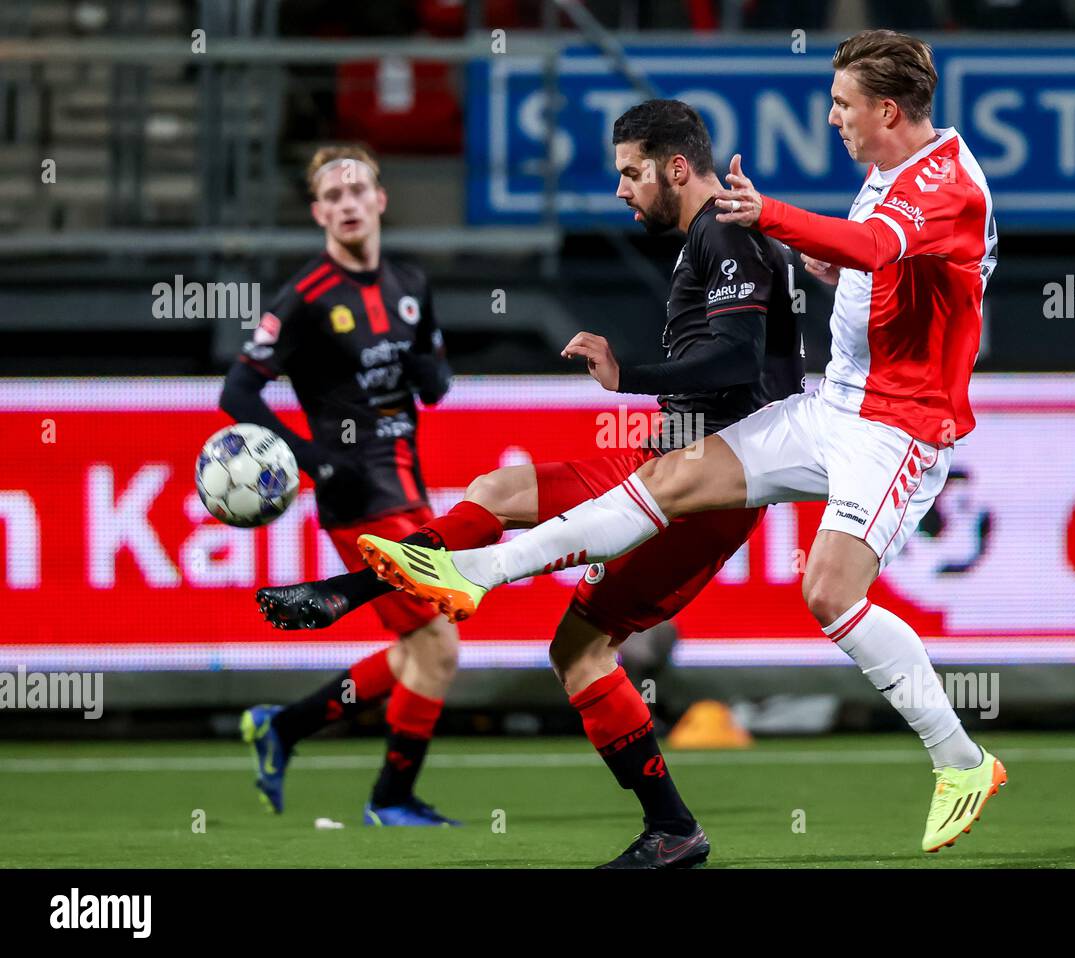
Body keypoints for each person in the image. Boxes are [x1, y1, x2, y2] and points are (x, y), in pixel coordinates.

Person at [359, 30, 1007, 854]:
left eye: (844, 104)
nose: (833, 117)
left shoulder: (949, 180)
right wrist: (835, 274)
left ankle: (960, 760)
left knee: (829, 594)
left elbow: (880, 247)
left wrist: (771, 215)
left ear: (887, 110)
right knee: (667, 477)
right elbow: (886, 272)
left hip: (900, 427)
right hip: (833, 404)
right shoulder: (886, 171)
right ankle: (480, 571)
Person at [260, 99, 804, 868]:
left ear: (675, 167)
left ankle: (673, 829)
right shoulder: (714, 235)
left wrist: (627, 374)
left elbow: (737, 362)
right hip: (673, 460)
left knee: (576, 637)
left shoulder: (725, 231)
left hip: (708, 485)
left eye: (630, 173)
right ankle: (351, 592)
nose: (621, 189)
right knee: (509, 504)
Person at [219, 144, 460, 826]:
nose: (348, 202)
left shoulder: (411, 283)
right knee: (439, 642)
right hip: (355, 495)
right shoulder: (304, 297)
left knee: (420, 645)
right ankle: (390, 799)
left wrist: (426, 372)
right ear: (320, 212)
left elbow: (436, 381)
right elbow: (237, 389)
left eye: (358, 190)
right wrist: (308, 459)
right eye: (333, 195)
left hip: (407, 482)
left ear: (380, 200)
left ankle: (286, 727)